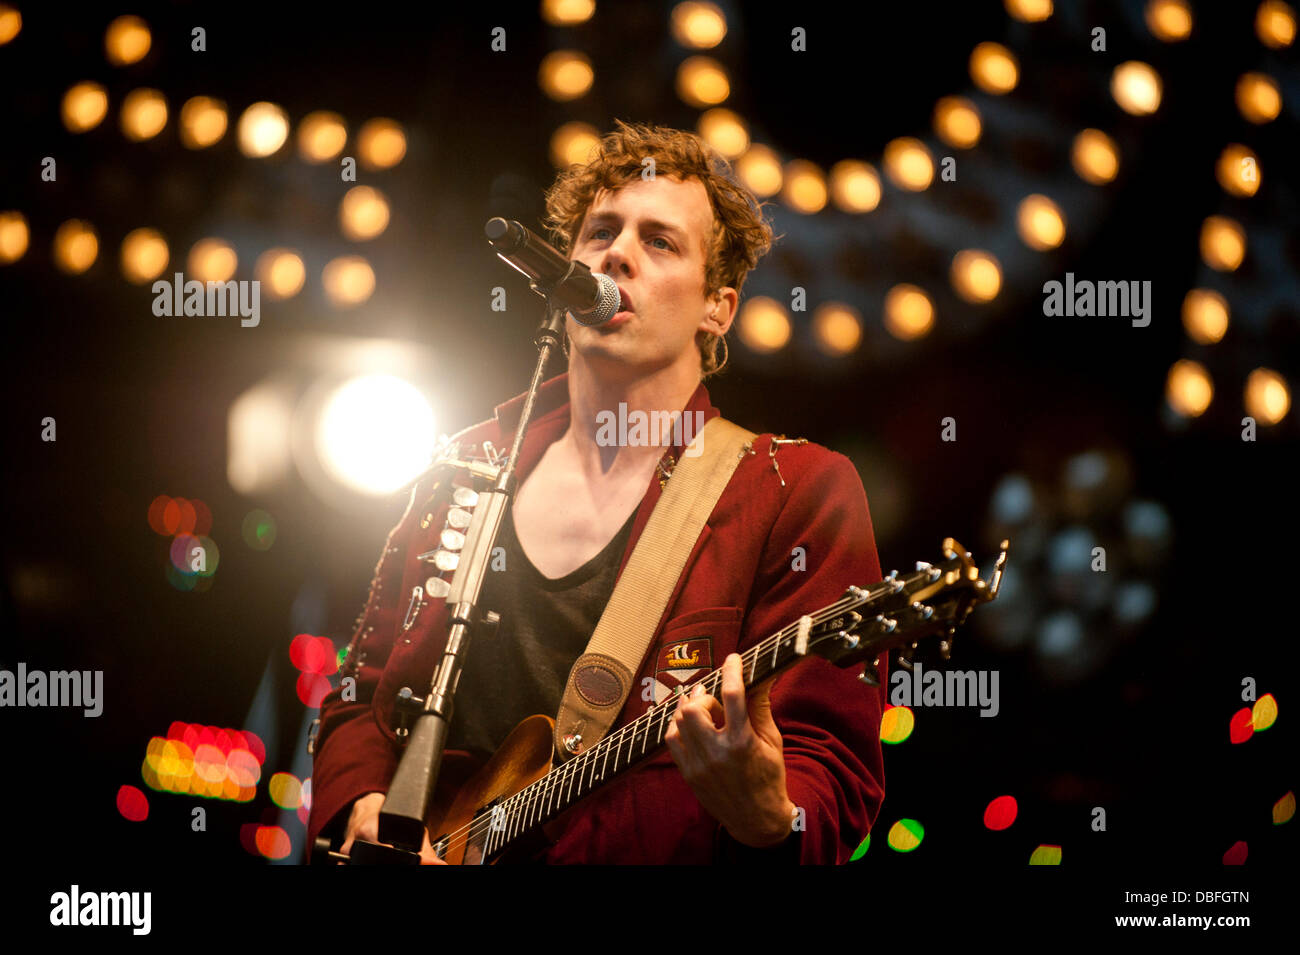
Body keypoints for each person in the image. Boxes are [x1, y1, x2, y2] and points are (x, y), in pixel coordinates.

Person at [307, 120, 887, 864]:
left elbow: (831, 774)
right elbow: (361, 687)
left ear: (719, 307)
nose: (617, 253)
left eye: (660, 241)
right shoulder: (465, 465)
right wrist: (362, 802)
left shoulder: (791, 491)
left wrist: (772, 814)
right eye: (601, 232)